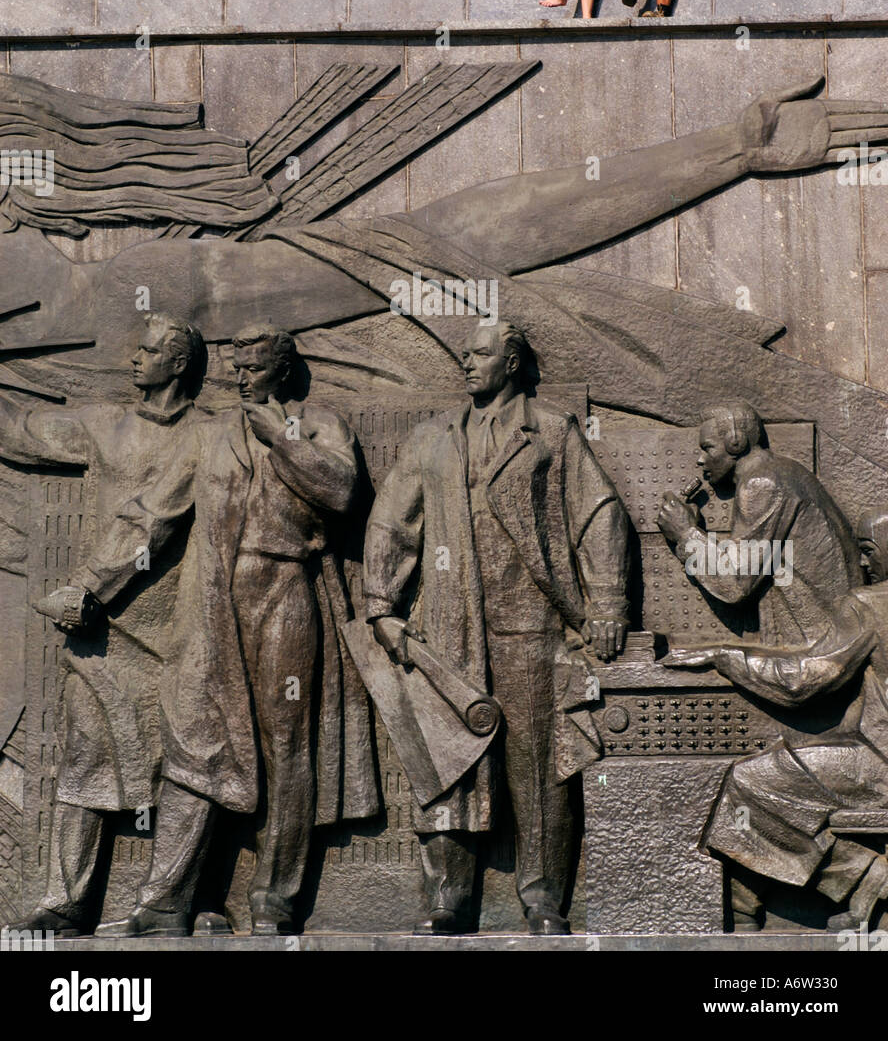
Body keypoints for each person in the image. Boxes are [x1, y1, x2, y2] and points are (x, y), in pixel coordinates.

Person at [76, 323, 379, 936]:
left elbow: (345, 493)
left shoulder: (318, 422)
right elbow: (152, 518)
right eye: (236, 368)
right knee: (193, 739)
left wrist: (284, 441)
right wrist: (90, 586)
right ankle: (166, 904)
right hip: (212, 603)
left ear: (284, 371)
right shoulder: (210, 433)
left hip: (285, 592)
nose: (242, 378)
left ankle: (274, 896)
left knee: (287, 744)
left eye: (256, 367)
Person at [363, 320, 631, 936]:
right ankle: (448, 897)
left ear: (512, 363)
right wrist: (381, 604)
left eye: (480, 354)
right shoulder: (432, 438)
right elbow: (390, 524)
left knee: (538, 764)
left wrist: (608, 600)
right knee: (448, 762)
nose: (467, 362)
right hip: (450, 625)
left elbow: (598, 513)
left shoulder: (552, 431)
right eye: (463, 354)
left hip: (531, 621)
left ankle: (541, 897)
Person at [0, 313, 206, 937]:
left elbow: (155, 521)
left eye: (148, 350)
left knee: (180, 763)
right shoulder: (104, 424)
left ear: (178, 363)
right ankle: (67, 899)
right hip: (99, 637)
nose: (133, 359)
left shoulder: (205, 436)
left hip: (172, 628)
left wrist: (90, 586)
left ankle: (165, 903)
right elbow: (20, 433)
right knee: (85, 752)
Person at [666, 506, 888, 933]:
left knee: (752, 781)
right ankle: (747, 905)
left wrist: (723, 655)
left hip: (880, 765)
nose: (861, 563)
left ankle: (869, 879)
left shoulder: (871, 605)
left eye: (868, 550)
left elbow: (803, 679)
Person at [656, 399, 860, 648]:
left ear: (735, 442)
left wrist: (685, 534)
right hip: (828, 633)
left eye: (707, 448)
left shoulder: (761, 483)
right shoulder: (783, 471)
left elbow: (735, 583)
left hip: (818, 644)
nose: (700, 460)